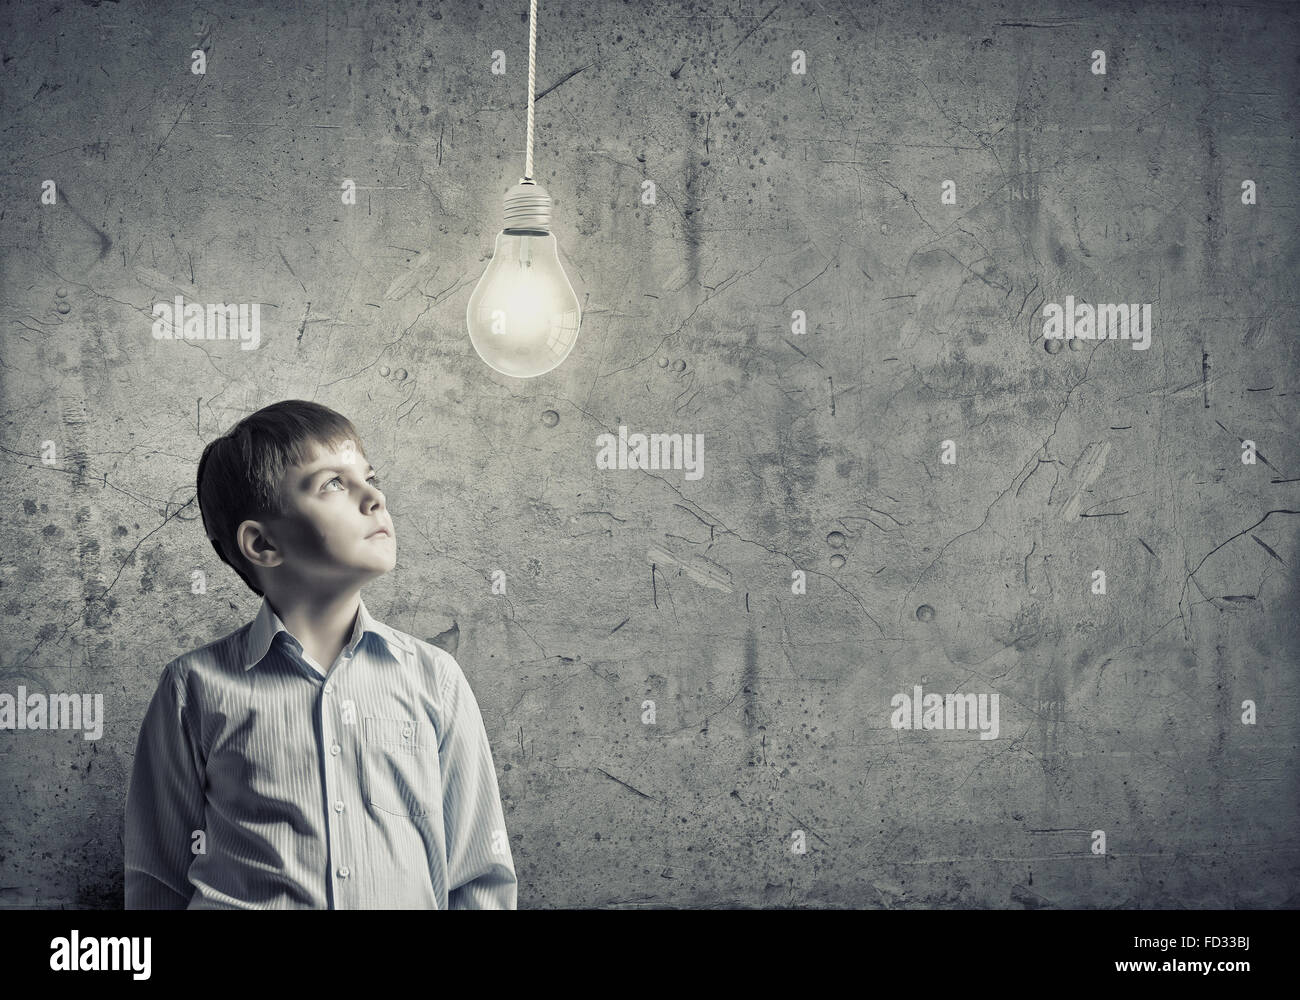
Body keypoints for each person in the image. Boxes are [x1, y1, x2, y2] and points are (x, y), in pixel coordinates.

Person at [124, 400, 516, 909]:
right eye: (333, 483)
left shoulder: (434, 678)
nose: (374, 497)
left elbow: (479, 875)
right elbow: (158, 881)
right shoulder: (192, 688)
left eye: (370, 478)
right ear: (262, 543)